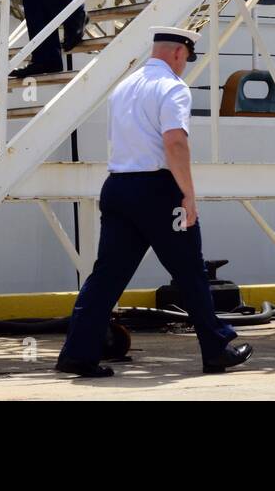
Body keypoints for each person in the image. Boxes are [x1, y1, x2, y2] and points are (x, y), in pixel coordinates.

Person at [56, 26, 252, 377]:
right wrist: (188, 195)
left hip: (117, 187)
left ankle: (77, 354)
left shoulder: (123, 87)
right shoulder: (173, 88)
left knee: (106, 277)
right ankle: (216, 349)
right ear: (179, 53)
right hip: (158, 192)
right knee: (190, 271)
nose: (185, 66)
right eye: (186, 59)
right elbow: (174, 142)